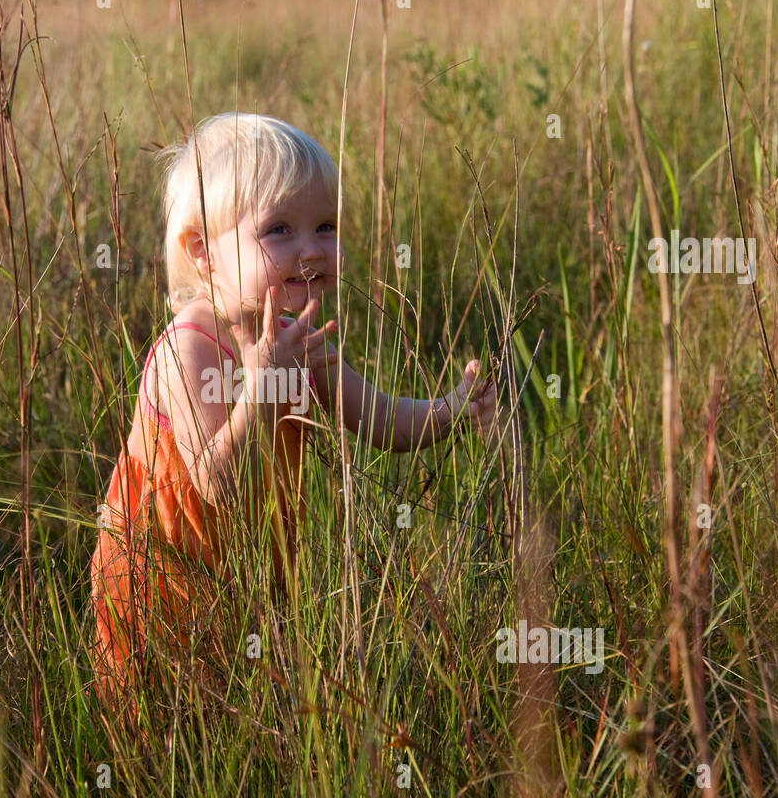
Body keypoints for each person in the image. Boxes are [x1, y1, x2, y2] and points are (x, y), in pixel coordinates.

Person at [88, 112, 496, 720]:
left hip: (251, 581)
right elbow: (215, 480)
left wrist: (450, 411)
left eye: (325, 226)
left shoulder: (294, 340)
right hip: (160, 584)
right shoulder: (190, 346)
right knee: (159, 728)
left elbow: (383, 421)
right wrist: (266, 384)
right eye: (279, 229)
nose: (311, 248)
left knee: (239, 719)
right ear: (202, 251)